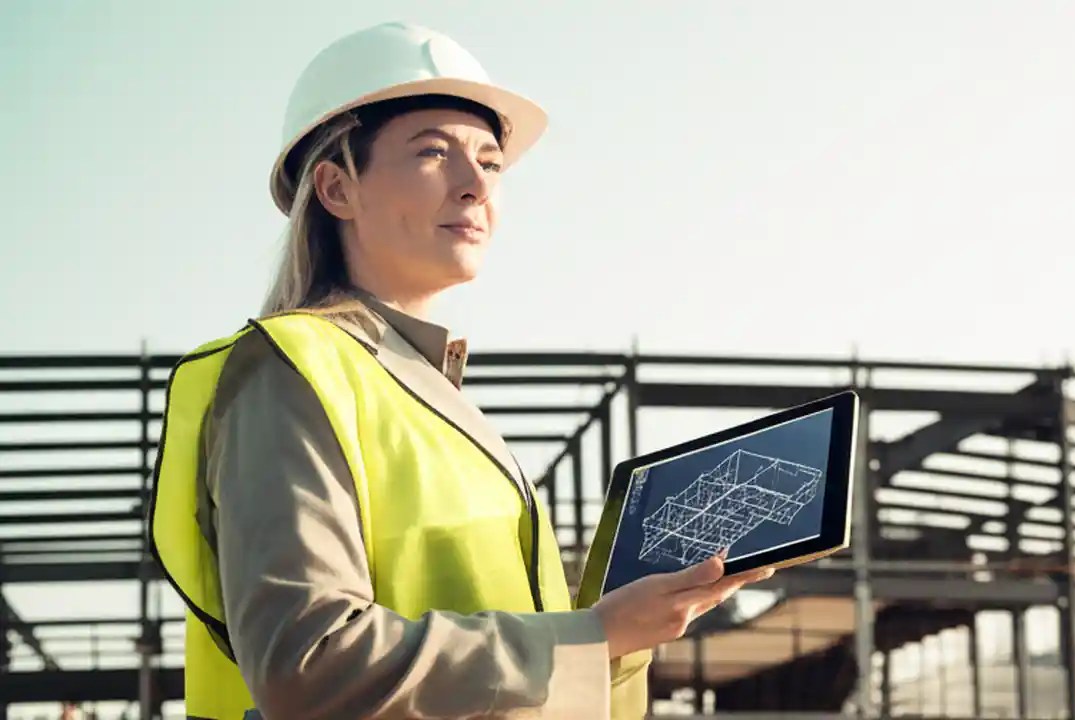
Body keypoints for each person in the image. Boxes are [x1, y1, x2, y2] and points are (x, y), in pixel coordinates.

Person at [148, 21, 773, 720]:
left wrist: (624, 635)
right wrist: (588, 635)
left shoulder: (436, 402)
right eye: (432, 153)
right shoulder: (293, 369)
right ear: (335, 187)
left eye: (489, 160)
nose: (475, 185)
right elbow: (307, 661)